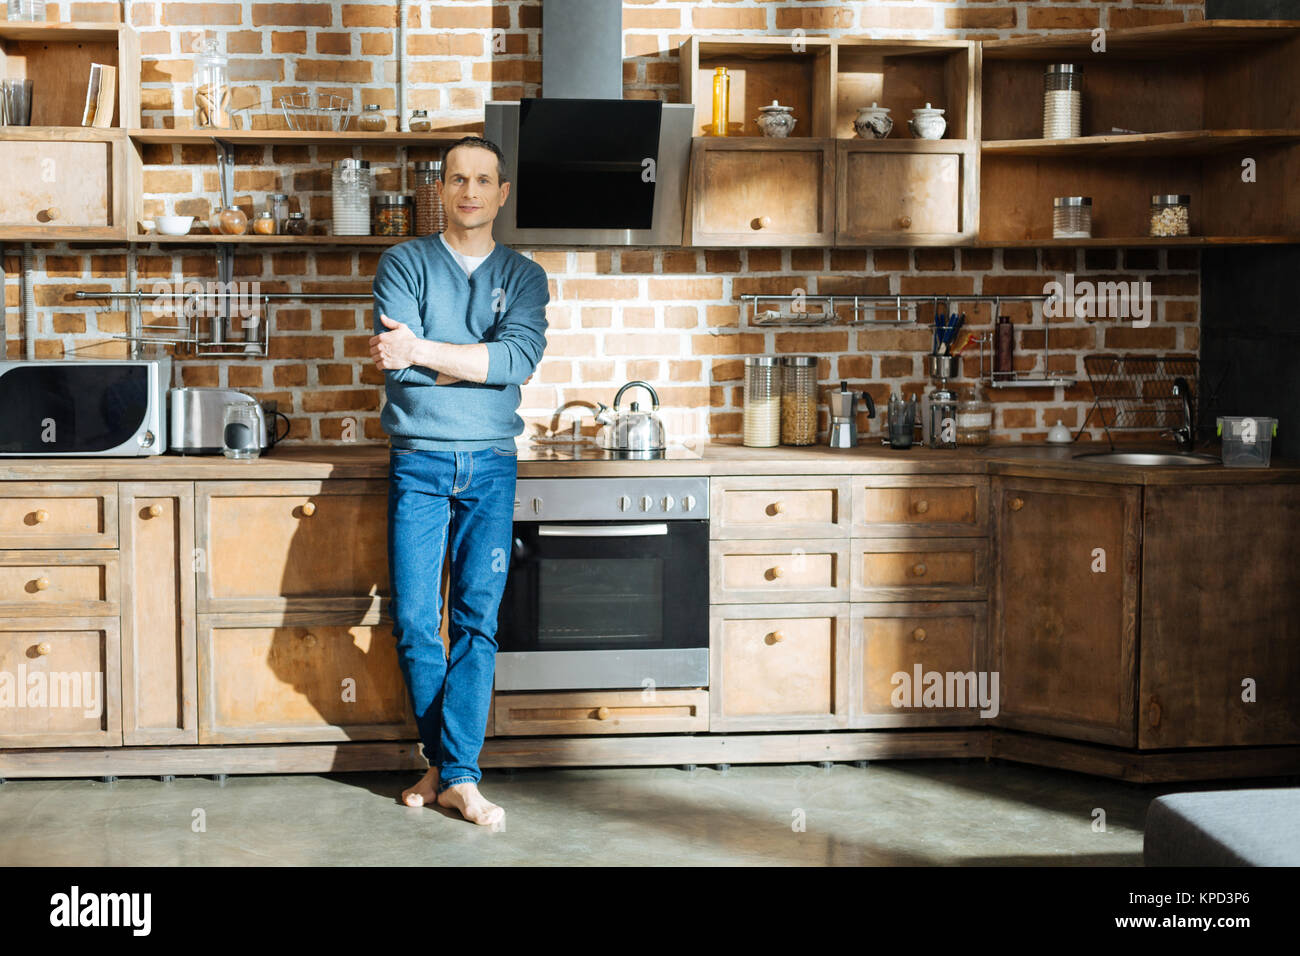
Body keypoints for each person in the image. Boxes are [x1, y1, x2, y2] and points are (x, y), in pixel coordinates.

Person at [368, 135, 548, 826]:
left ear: (502, 193)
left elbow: (517, 360)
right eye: (456, 179)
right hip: (418, 458)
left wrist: (427, 350)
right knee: (415, 619)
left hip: (491, 465)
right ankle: (448, 768)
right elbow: (398, 364)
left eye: (483, 180)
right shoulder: (404, 262)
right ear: (439, 190)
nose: (469, 191)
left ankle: (454, 772)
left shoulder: (525, 275)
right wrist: (468, 361)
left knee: (476, 619)